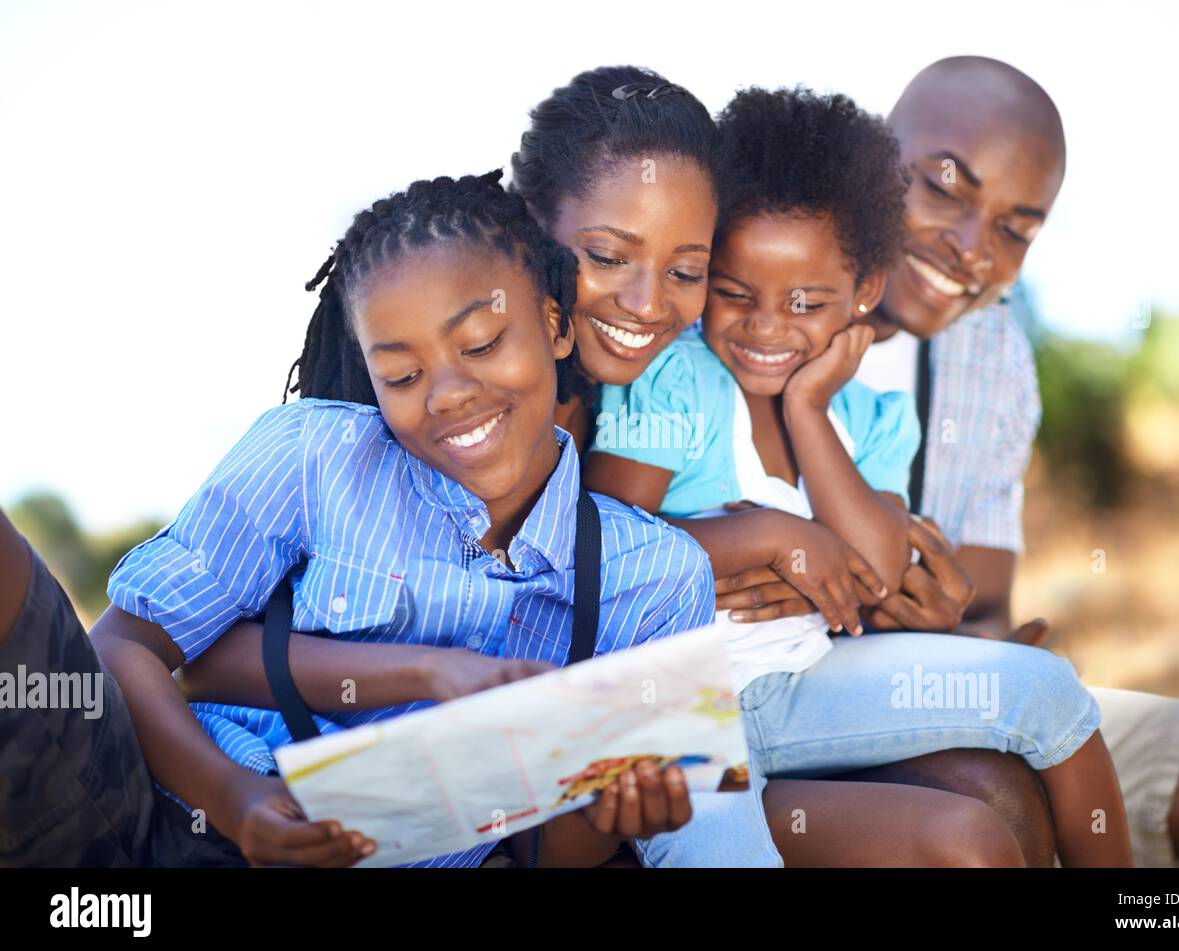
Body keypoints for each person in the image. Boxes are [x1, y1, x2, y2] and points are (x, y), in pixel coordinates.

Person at [0, 171, 716, 867]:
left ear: (556, 328)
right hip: (149, 805)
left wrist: (604, 816)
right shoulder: (315, 455)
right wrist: (236, 798)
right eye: (402, 375)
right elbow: (125, 645)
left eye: (481, 345)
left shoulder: (654, 580)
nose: (446, 394)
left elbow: (543, 854)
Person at [721, 55, 1179, 867]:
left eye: (1015, 228)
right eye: (945, 186)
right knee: (992, 792)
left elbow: (996, 619)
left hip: (956, 695)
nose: (969, 247)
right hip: (791, 715)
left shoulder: (986, 354)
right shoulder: (737, 309)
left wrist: (944, 621)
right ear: (869, 159)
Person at [585, 87, 1132, 867]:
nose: (768, 327)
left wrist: (809, 408)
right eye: (735, 294)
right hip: (678, 707)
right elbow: (603, 551)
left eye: (805, 302)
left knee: (1047, 690)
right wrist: (763, 539)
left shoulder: (870, 417)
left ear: (864, 293)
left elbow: (875, 570)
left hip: (808, 683)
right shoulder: (678, 378)